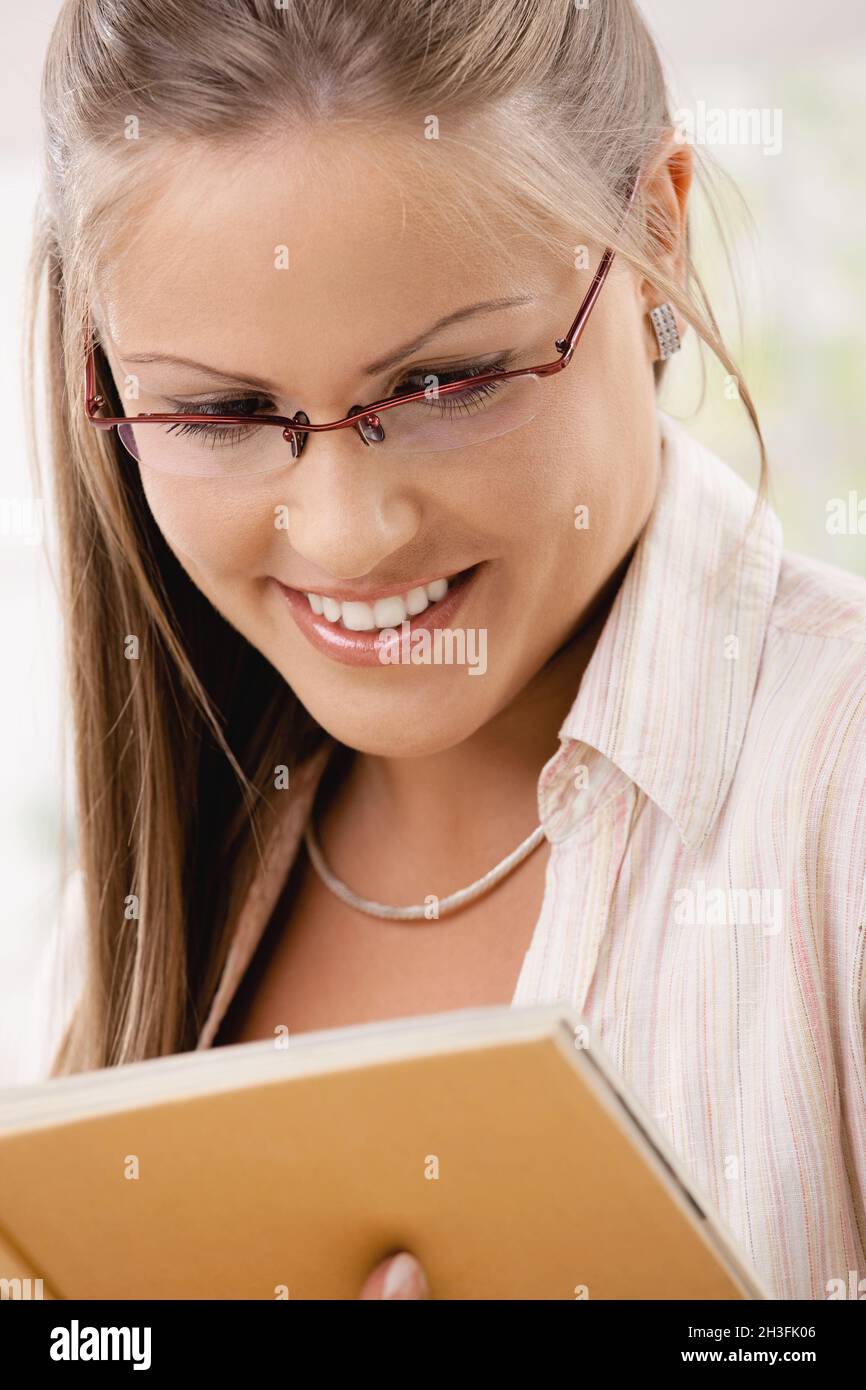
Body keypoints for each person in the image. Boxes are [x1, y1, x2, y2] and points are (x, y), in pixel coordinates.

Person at [27, 0, 866, 1300]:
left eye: (444, 384)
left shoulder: (835, 798)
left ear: (654, 233)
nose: (348, 535)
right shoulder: (115, 925)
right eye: (218, 410)